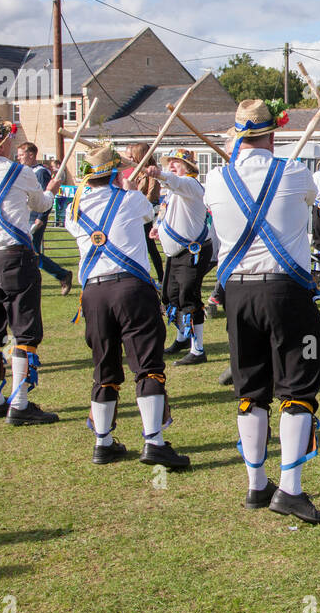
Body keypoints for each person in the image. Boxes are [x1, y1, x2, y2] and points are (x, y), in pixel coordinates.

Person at [204, 99, 320, 524]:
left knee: (251, 390)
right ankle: (290, 492)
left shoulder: (214, 179)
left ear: (237, 135)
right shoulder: (295, 172)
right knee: (297, 387)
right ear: (273, 134)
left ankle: (256, 485)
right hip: (286, 292)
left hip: (237, 294)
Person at [66, 145, 188, 468]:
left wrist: (117, 172)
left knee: (104, 367)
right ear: (114, 172)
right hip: (131, 290)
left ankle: (103, 442)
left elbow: (84, 200)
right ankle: (154, 442)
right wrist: (131, 177)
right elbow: (149, 212)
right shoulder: (131, 200)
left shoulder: (73, 211)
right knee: (147, 363)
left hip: (93, 294)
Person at [0, 116, 61, 424]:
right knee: (24, 328)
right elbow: (42, 205)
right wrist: (53, 189)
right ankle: (19, 404)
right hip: (15, 256)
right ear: (3, 142)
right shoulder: (21, 171)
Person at [141, 148, 213, 366]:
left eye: (176, 163)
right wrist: (157, 228)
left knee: (188, 298)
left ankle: (198, 349)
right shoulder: (174, 190)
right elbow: (166, 212)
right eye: (169, 163)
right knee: (170, 296)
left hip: (193, 253)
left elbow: (174, 181)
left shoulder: (190, 185)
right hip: (176, 253)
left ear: (188, 167)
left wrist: (160, 174)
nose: (171, 166)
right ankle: (182, 338)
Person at [15, 142, 73, 296]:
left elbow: (45, 196)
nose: (19, 158)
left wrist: (41, 217)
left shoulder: (41, 172)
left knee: (31, 252)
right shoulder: (26, 171)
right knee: (29, 252)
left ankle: (61, 275)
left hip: (36, 217)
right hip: (26, 216)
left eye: (22, 154)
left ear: (31, 154)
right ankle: (58, 275)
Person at [119, 144, 164, 284]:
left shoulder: (151, 172)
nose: (130, 158)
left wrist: (137, 203)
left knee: (150, 247)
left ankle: (161, 277)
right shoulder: (135, 171)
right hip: (133, 210)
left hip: (145, 212)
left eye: (133, 155)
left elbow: (151, 194)